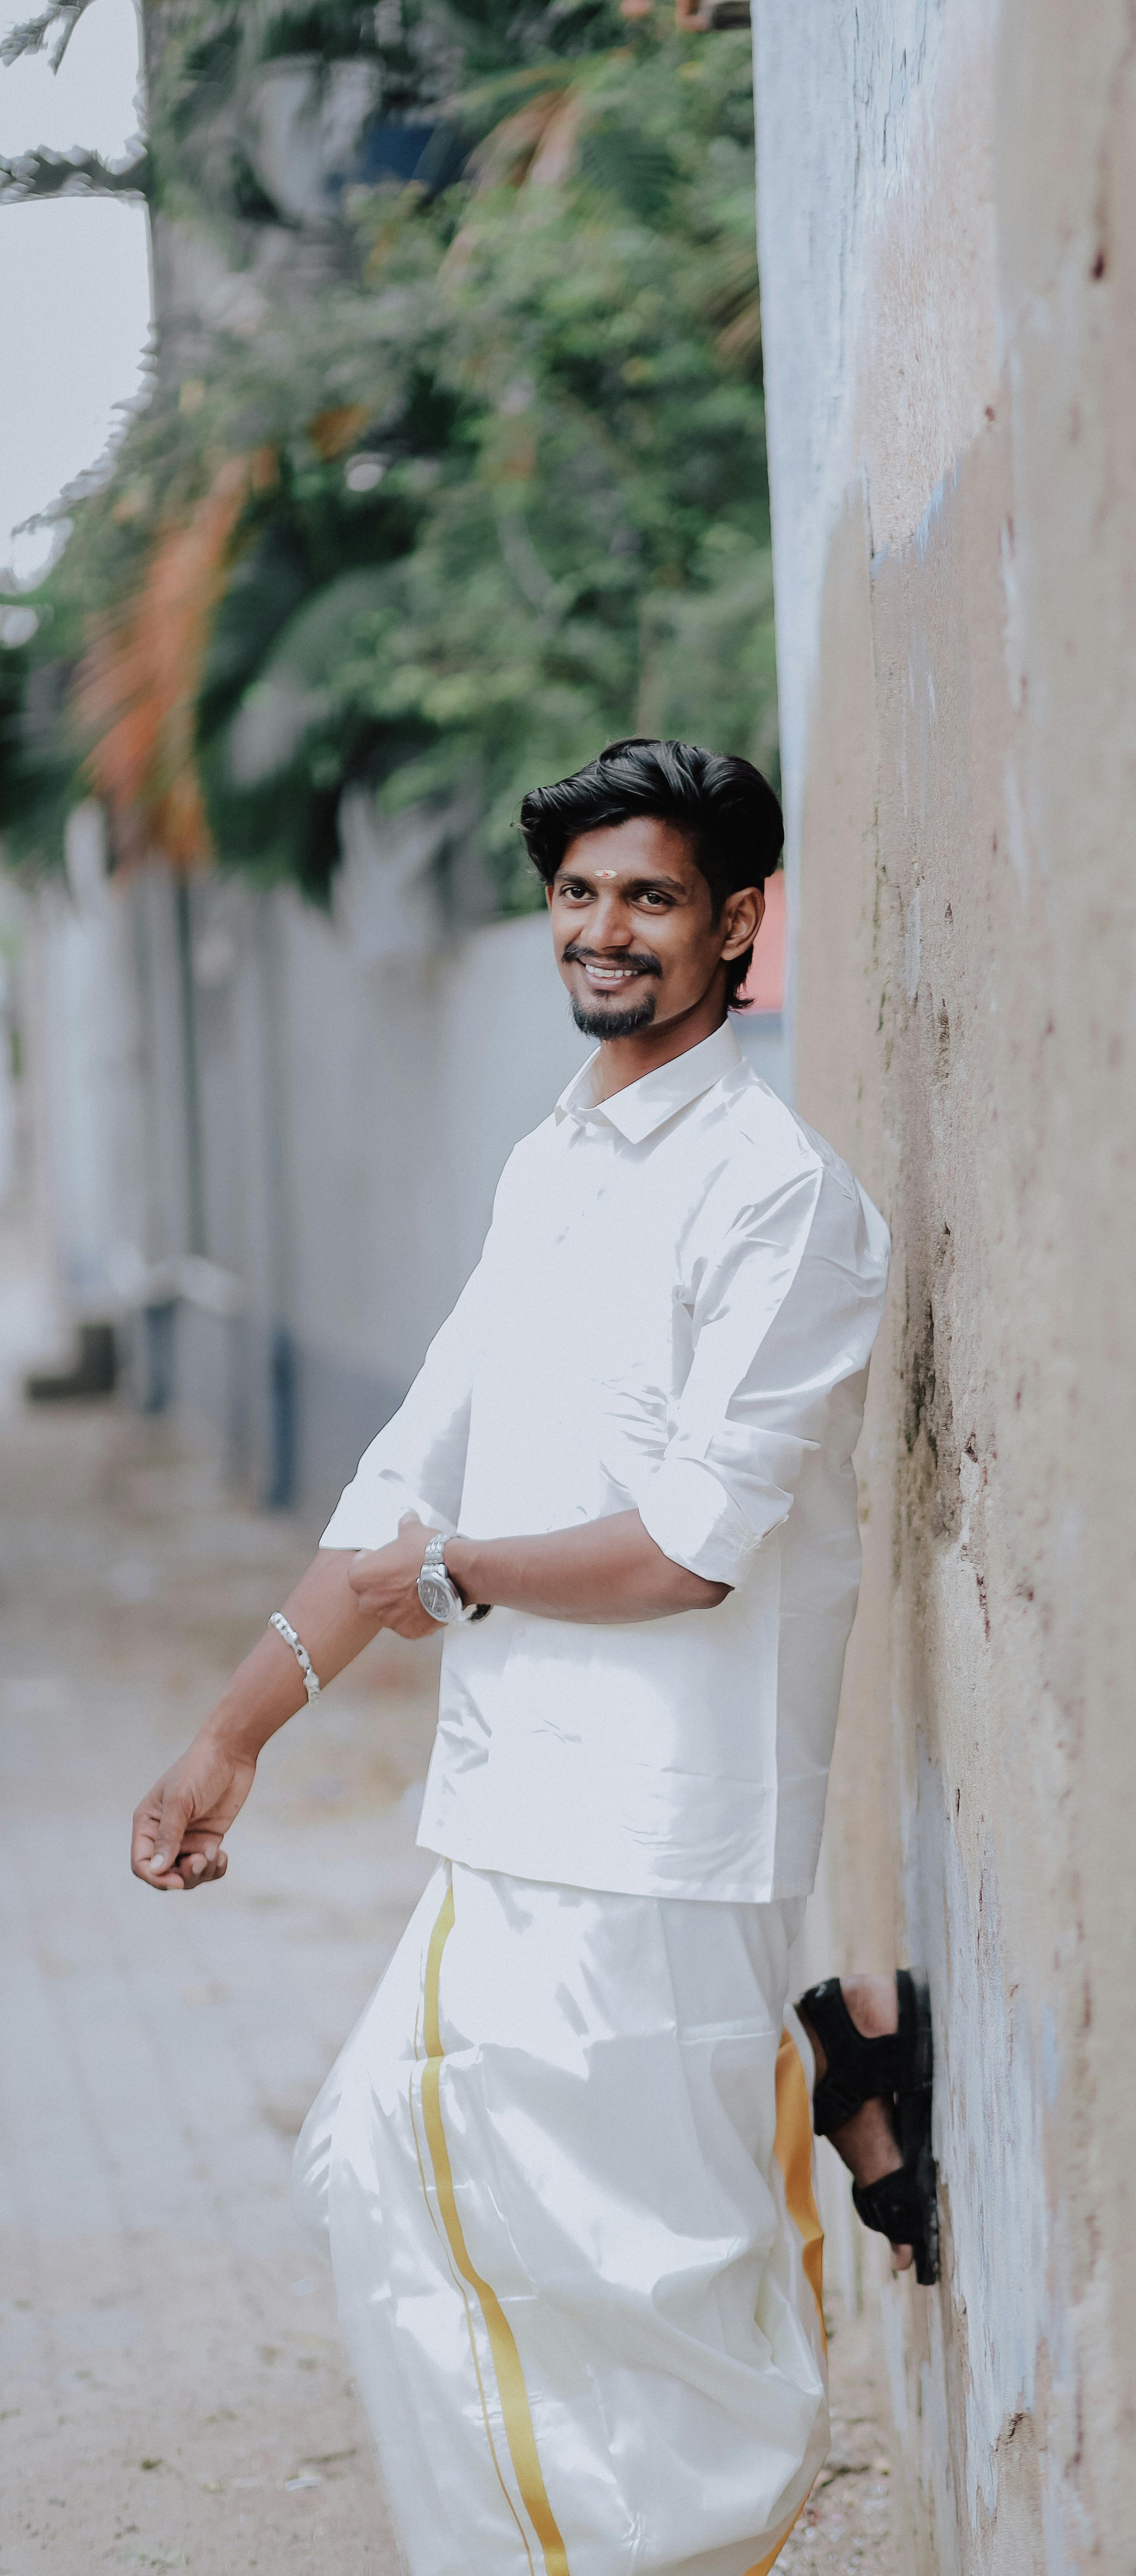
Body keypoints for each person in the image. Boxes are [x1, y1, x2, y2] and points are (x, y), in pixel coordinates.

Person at [130, 740, 938, 2576]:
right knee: (409, 2190)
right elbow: (402, 1479)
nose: (603, 930)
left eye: (649, 896)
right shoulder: (554, 1160)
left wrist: (458, 1577)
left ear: (742, 924)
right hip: (510, 1814)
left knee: (640, 2278)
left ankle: (683, 2529)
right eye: (579, 895)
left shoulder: (778, 1199)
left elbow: (686, 1555)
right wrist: (233, 1735)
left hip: (670, 1831)